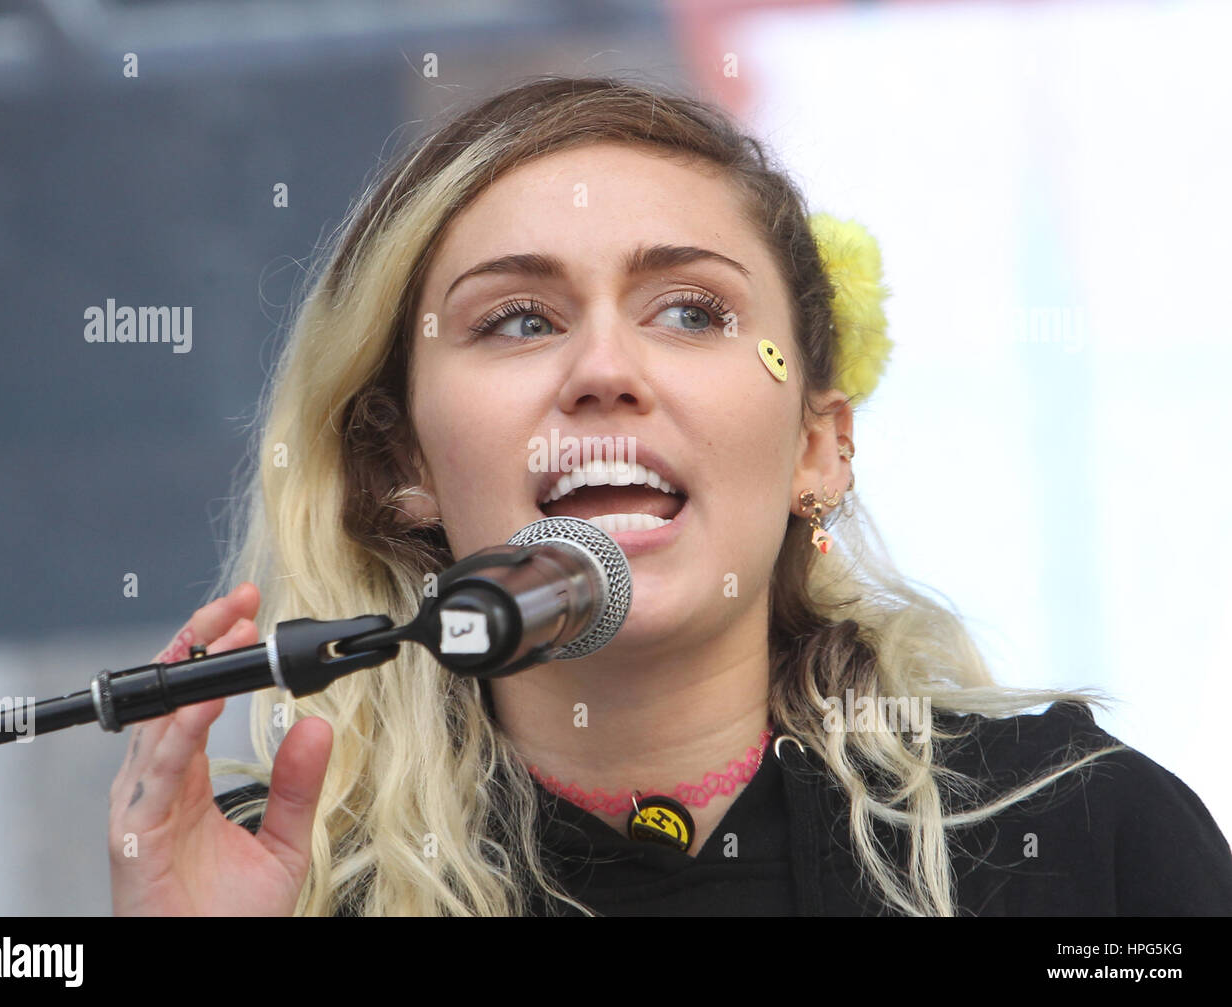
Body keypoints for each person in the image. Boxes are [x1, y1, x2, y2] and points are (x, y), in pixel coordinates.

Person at [107, 74, 1232, 917]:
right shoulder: (278, 879)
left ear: (817, 450)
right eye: (518, 318)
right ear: (398, 466)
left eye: (690, 311)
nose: (605, 368)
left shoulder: (1085, 837)